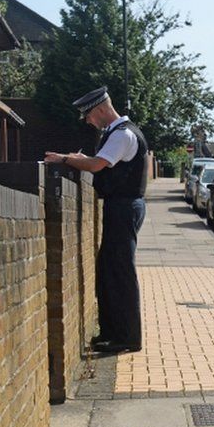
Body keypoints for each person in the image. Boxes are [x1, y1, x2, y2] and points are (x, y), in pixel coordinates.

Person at [44, 86, 148, 354]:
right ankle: (113, 333)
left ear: (101, 110)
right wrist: (82, 159)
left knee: (120, 270)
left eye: (89, 116)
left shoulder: (122, 134)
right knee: (109, 269)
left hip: (124, 207)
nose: (88, 121)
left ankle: (127, 337)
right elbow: (98, 162)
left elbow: (96, 165)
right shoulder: (118, 132)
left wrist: (66, 159)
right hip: (122, 206)